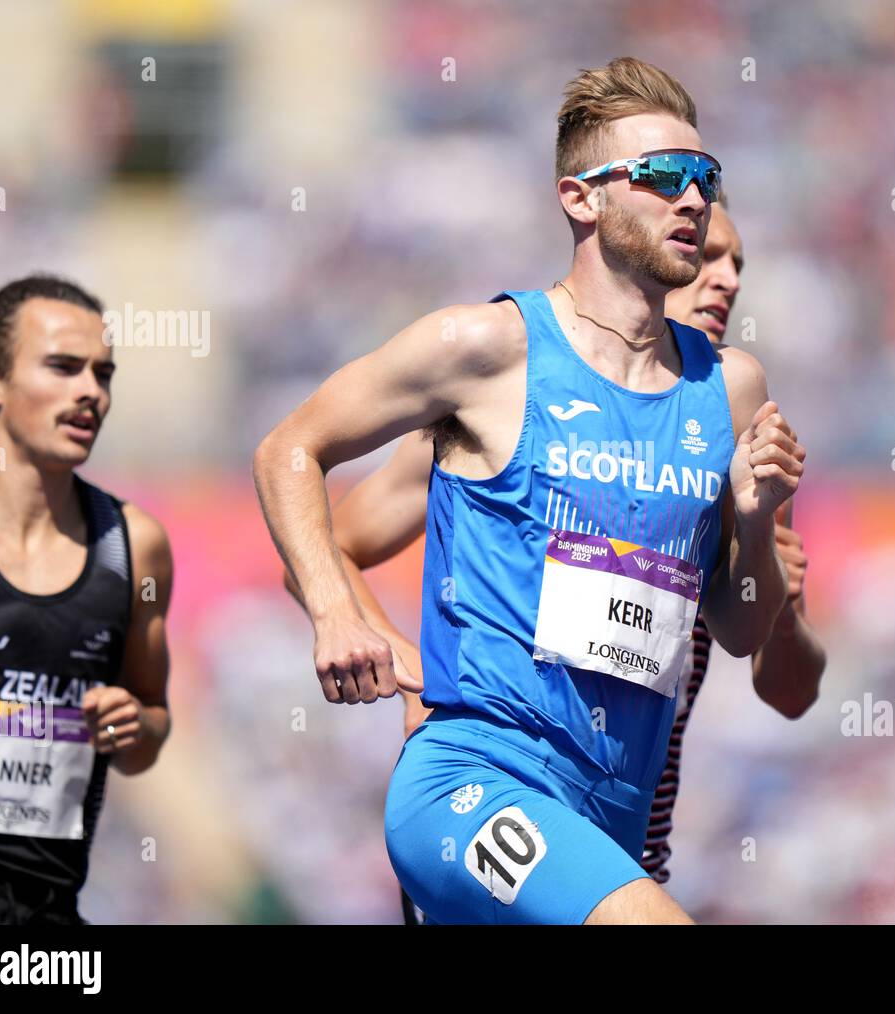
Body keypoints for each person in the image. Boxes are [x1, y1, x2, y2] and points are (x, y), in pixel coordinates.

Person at [254, 56, 805, 924]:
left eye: (706, 176)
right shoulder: (486, 348)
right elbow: (290, 448)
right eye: (664, 177)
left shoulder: (728, 388)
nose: (694, 199)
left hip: (611, 823)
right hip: (474, 781)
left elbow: (739, 631)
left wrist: (759, 513)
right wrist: (338, 612)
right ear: (580, 197)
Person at [0, 275, 173, 925]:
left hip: (46, 925)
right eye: (63, 367)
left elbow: (151, 728)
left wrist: (134, 721)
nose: (91, 392)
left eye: (103, 374)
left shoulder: (134, 545)